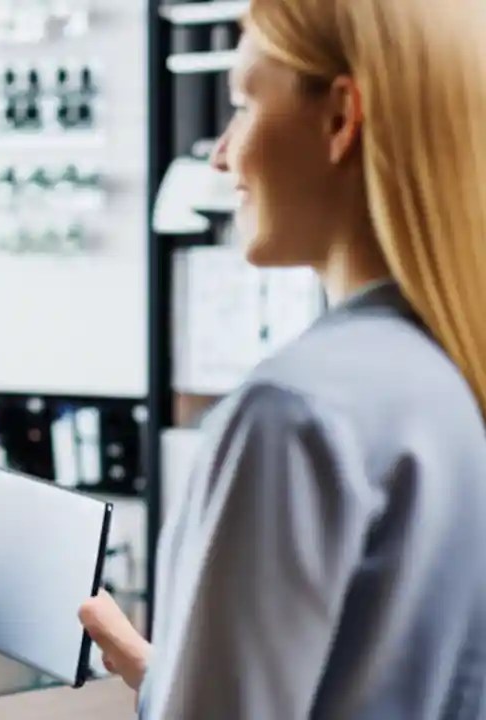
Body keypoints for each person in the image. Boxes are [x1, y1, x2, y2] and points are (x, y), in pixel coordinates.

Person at [78, 0, 486, 716]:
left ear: (340, 117)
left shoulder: (297, 410)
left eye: (243, 106)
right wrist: (169, 676)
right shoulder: (450, 375)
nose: (221, 154)